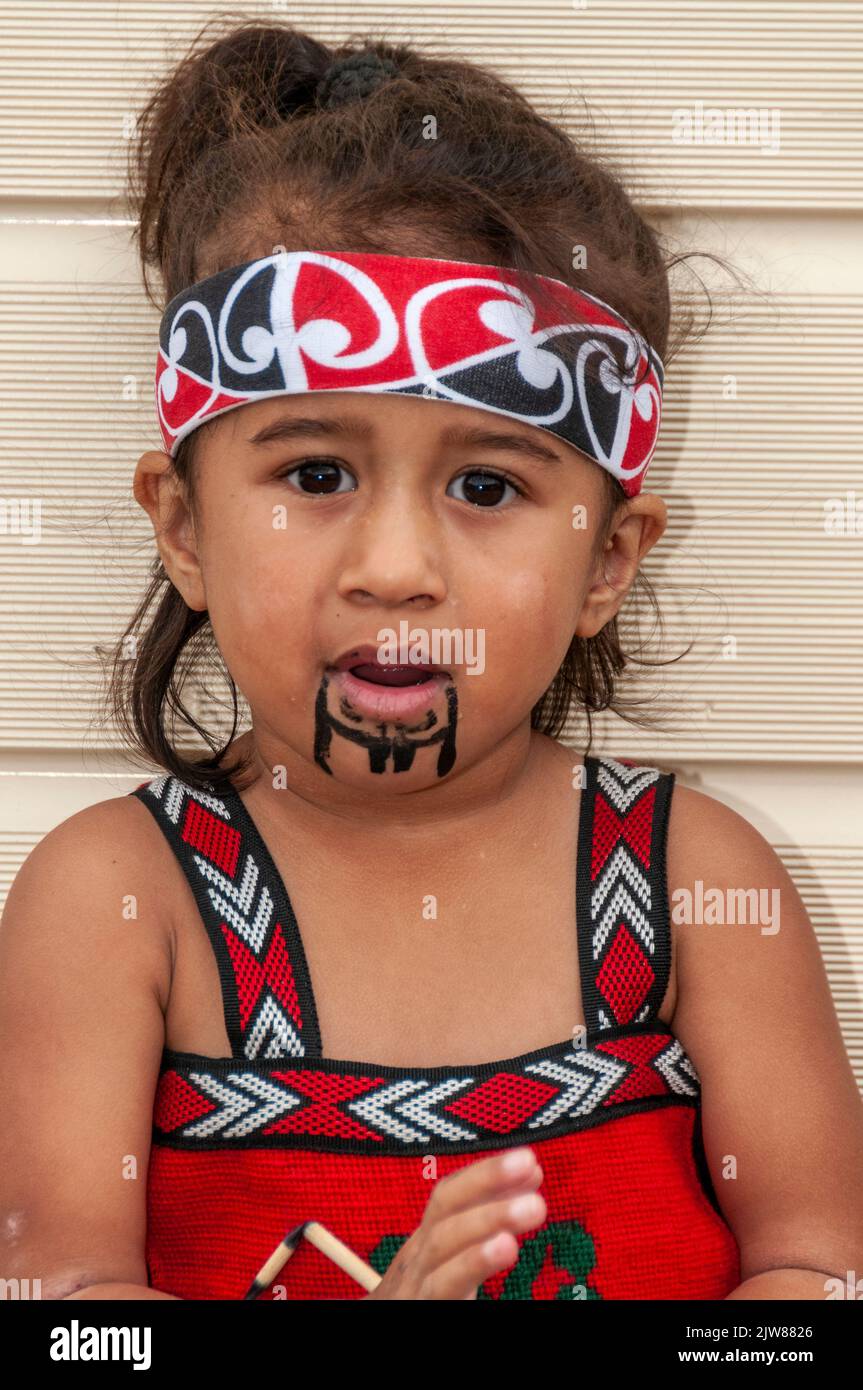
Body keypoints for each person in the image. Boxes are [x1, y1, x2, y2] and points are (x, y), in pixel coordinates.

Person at [2, 20, 861, 1303]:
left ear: (605, 559)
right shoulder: (121, 902)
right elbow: (62, 1317)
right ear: (184, 529)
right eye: (315, 474)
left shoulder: (693, 886)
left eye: (484, 485)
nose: (395, 567)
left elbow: (823, 1270)